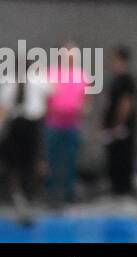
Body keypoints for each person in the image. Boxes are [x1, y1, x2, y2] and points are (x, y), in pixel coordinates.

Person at [0, 61, 47, 224]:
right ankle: (22, 195)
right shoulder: (35, 79)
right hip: (24, 125)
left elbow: (3, 108)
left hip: (23, 125)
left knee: (23, 163)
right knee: (23, 162)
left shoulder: (15, 80)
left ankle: (23, 195)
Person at [43, 41, 90, 208]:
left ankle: (69, 192)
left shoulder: (81, 75)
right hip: (54, 124)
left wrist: (83, 110)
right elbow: (45, 98)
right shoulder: (51, 74)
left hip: (73, 125)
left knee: (70, 160)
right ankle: (52, 192)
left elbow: (85, 100)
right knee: (52, 160)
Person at [102, 47, 137, 196]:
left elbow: (126, 103)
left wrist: (119, 124)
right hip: (113, 126)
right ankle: (116, 187)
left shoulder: (127, 81)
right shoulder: (114, 80)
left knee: (123, 157)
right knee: (113, 158)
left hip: (121, 127)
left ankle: (124, 189)